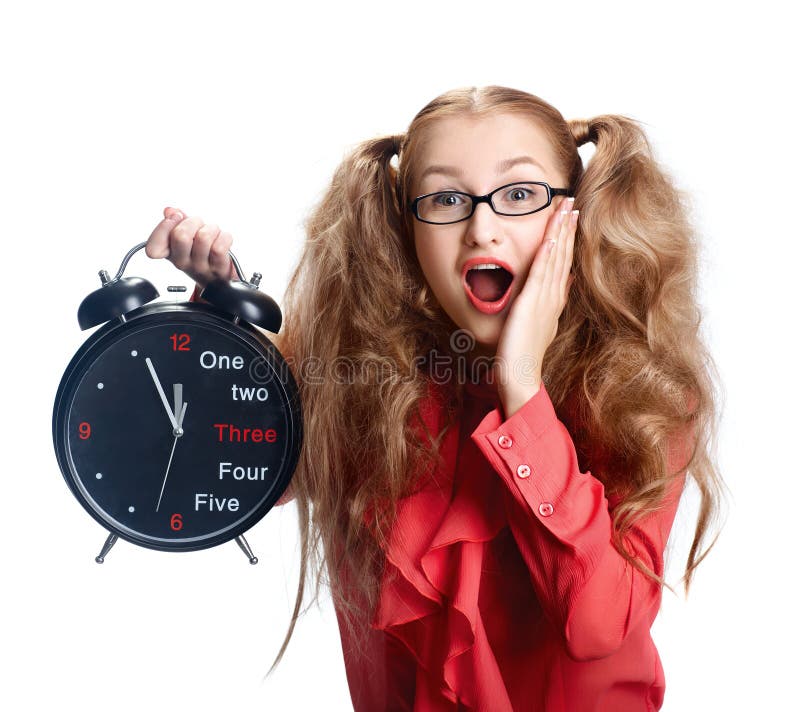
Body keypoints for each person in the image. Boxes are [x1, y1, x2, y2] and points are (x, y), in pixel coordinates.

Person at [145, 85, 725, 712]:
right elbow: (236, 473)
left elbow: (597, 627)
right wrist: (218, 330)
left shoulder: (641, 390)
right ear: (407, 230)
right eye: (446, 199)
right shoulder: (359, 379)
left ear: (576, 214)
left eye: (521, 195)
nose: (482, 230)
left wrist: (522, 386)